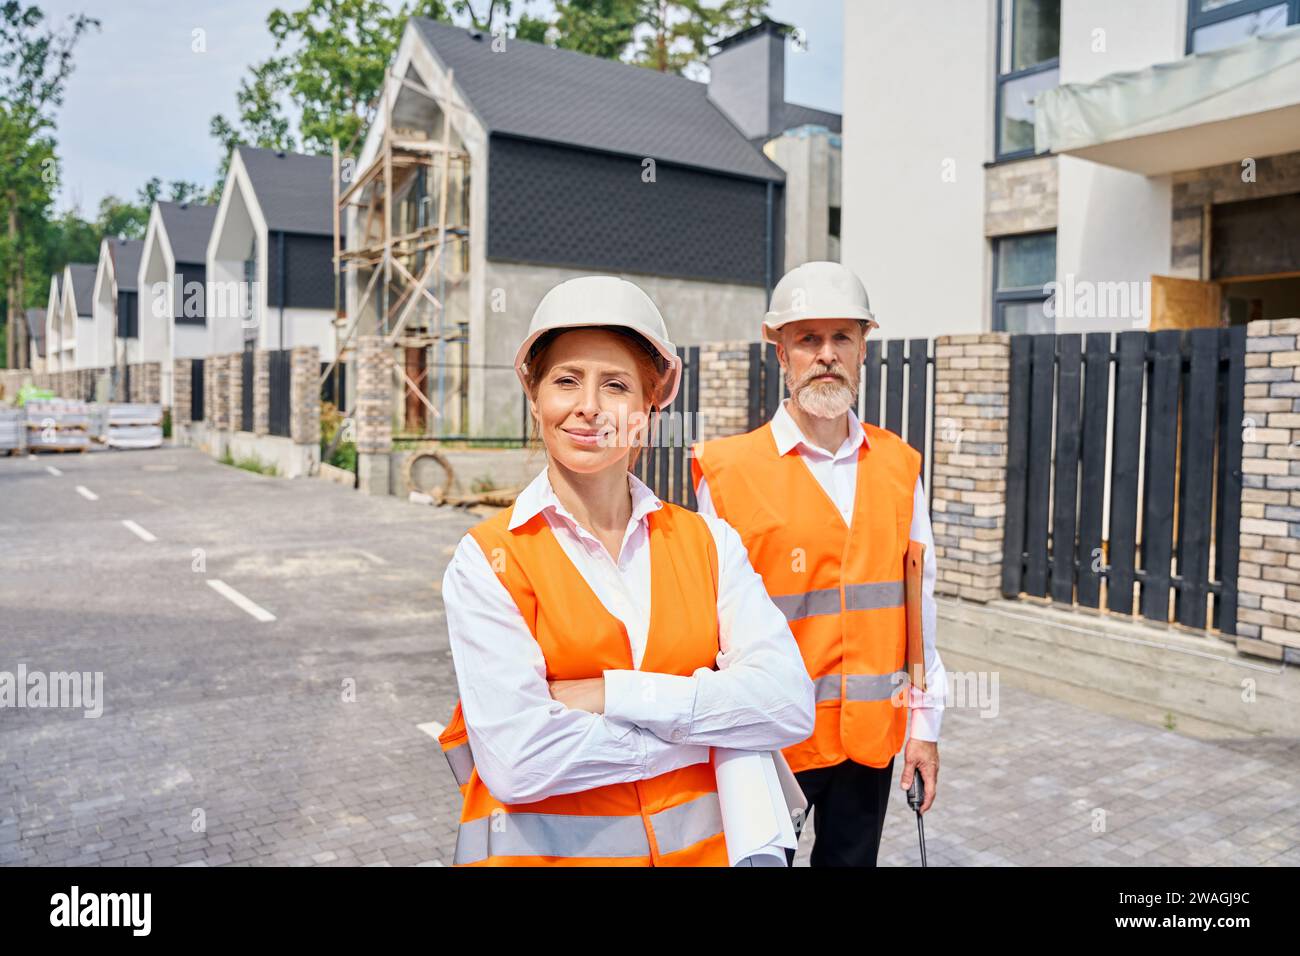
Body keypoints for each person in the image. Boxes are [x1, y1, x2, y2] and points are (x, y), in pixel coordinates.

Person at [437, 275, 815, 866]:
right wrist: (705, 726)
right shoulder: (487, 561)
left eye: (615, 385)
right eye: (566, 381)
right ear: (535, 398)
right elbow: (518, 760)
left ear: (647, 410)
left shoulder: (708, 543)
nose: (588, 406)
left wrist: (611, 693)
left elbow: (788, 705)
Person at [691, 261, 945, 867]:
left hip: (870, 741)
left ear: (863, 349)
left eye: (842, 339)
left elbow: (920, 610)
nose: (826, 354)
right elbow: (707, 628)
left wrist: (925, 730)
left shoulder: (899, 465)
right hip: (768, 741)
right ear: (780, 352)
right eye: (808, 339)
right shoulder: (726, 472)